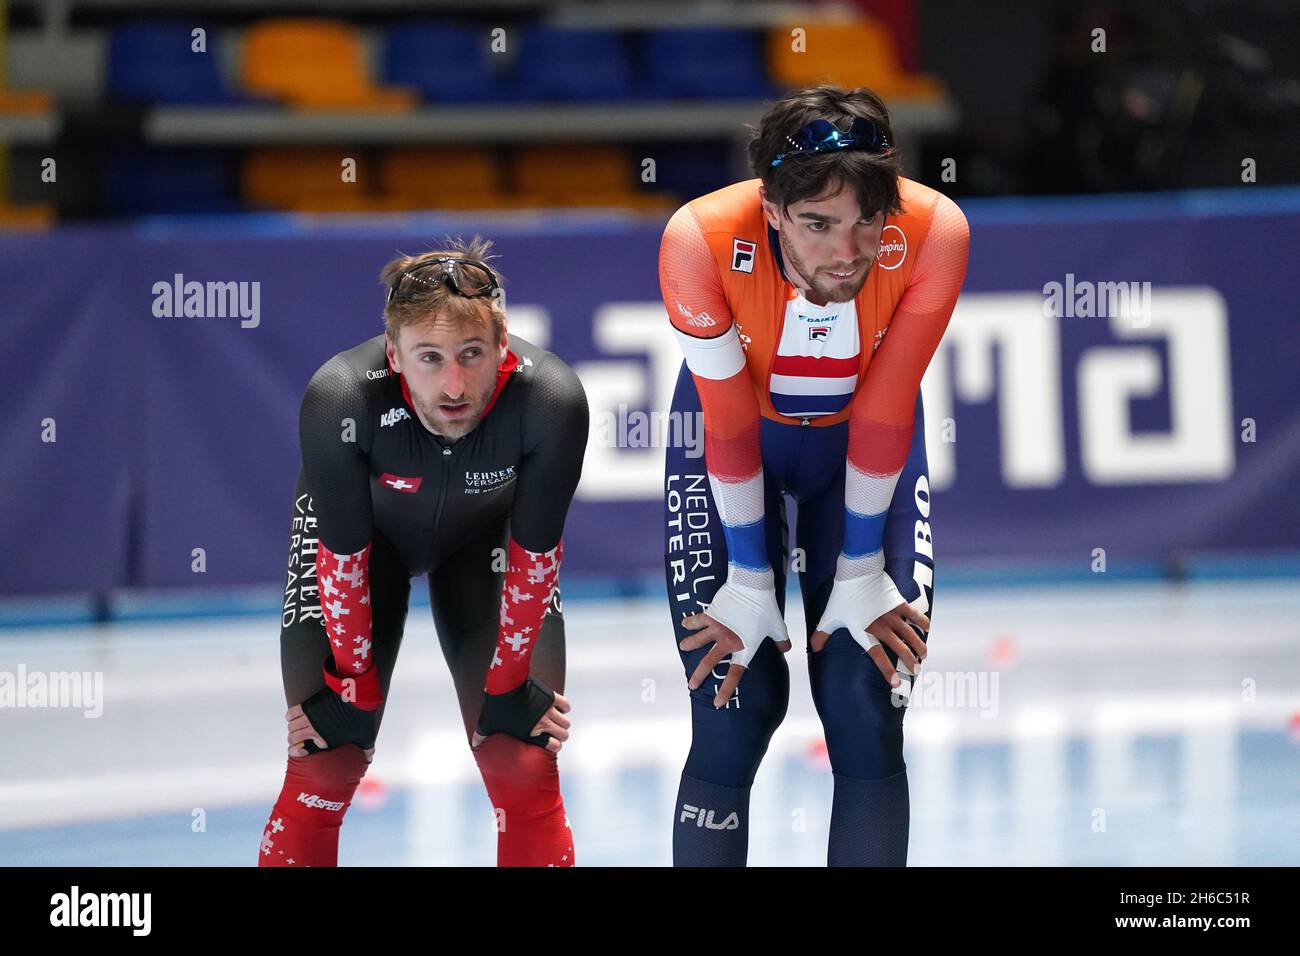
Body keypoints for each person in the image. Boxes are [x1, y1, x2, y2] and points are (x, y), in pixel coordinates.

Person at [659, 85, 970, 866]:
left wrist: (863, 562)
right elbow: (727, 420)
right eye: (818, 224)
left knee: (864, 698)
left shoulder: (935, 231)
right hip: (734, 447)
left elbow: (888, 403)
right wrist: (750, 577)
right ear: (770, 210)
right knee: (736, 696)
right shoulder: (698, 239)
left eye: (868, 219)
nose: (849, 248)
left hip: (865, 449)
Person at [259, 237, 588, 867]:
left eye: (471, 354)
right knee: (326, 761)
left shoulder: (551, 399)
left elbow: (535, 554)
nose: (454, 383)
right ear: (394, 354)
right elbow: (344, 559)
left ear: (503, 347)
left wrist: (510, 684)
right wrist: (351, 690)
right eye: (429, 358)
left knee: (522, 756)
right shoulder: (340, 398)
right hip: (364, 550)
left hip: (487, 547)